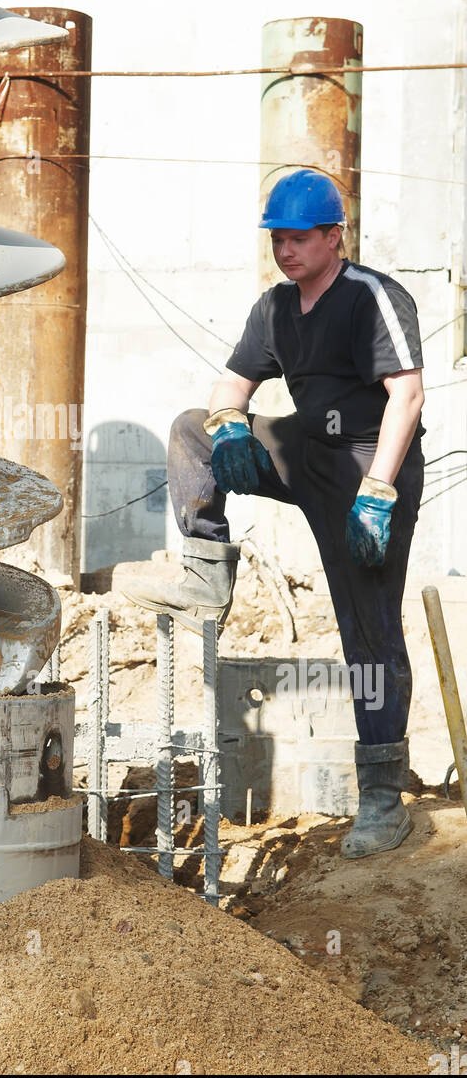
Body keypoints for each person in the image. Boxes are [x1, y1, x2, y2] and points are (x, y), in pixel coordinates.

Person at [123, 168, 425, 859]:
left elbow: (405, 396)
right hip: (302, 450)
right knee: (192, 428)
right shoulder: (274, 308)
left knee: (368, 635)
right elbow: (232, 380)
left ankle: (380, 798)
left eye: (296, 239)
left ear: (332, 236)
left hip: (363, 466)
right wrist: (231, 420)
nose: (284, 251)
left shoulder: (371, 296)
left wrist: (377, 492)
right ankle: (206, 571)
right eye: (276, 240)